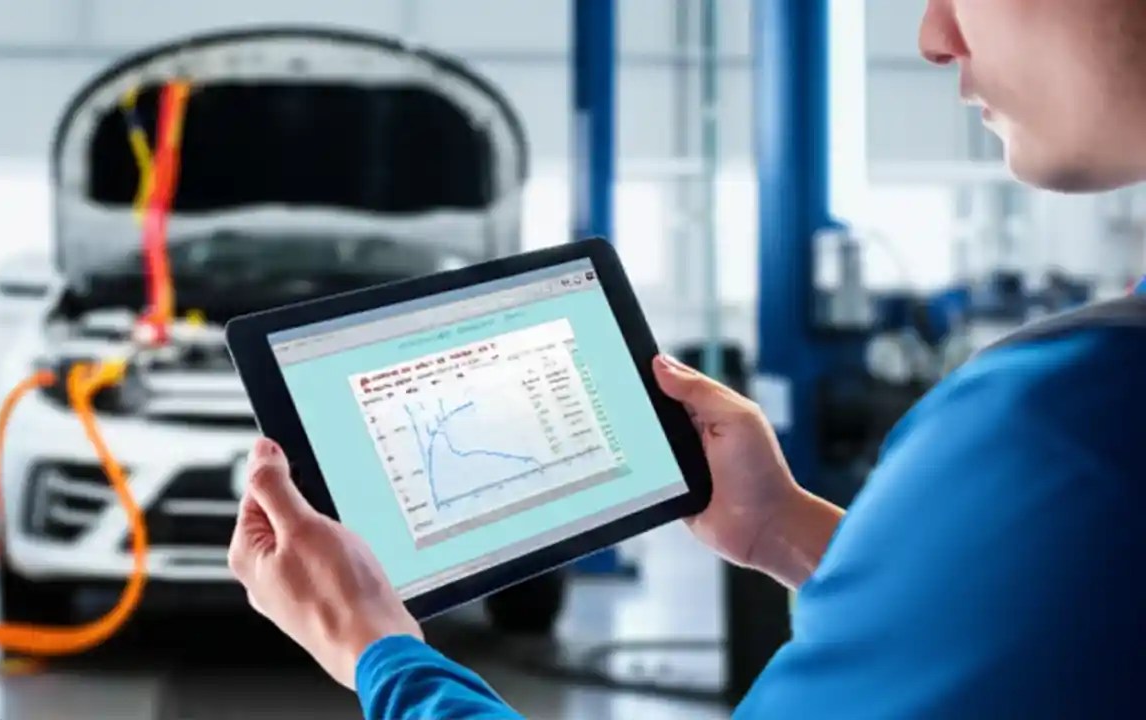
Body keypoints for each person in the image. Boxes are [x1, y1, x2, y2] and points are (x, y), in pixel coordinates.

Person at [227, 0, 1146, 716]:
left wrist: (381, 651)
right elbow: (1068, 640)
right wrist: (785, 527)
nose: (934, 35)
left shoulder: (1071, 429)